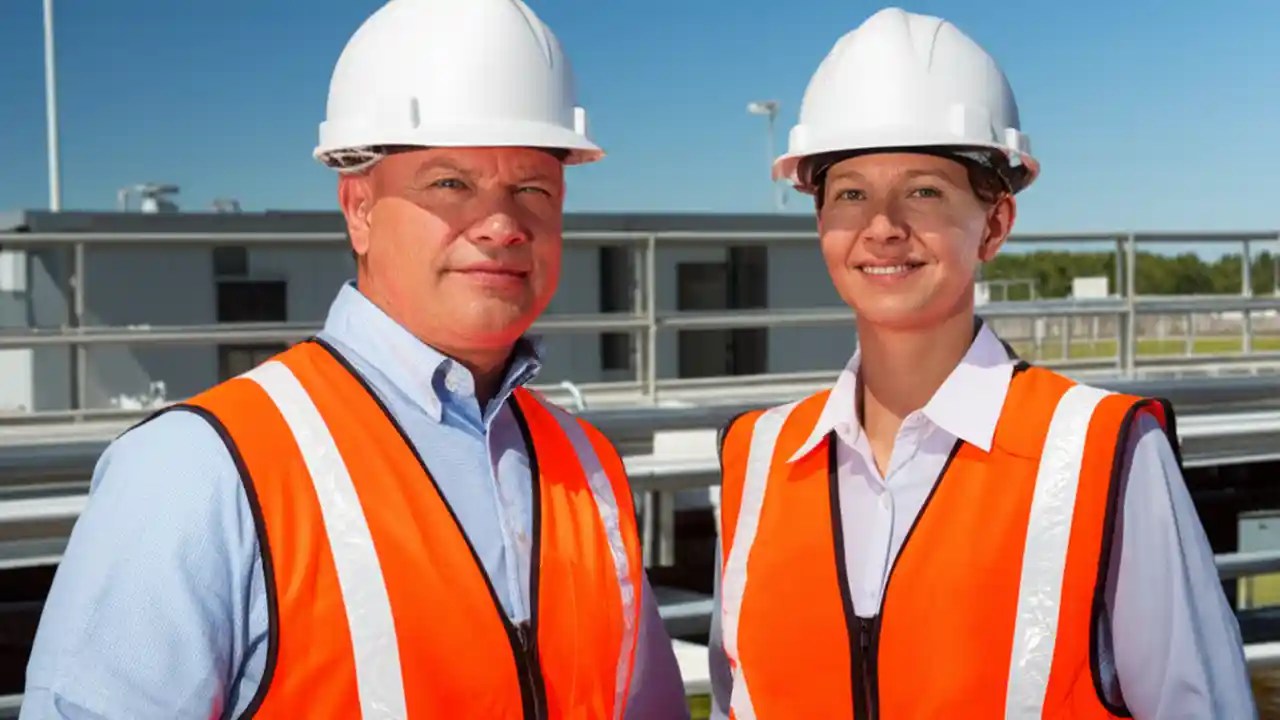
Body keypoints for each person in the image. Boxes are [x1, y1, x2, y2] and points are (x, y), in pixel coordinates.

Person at [21, 1, 689, 718]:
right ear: (359, 209)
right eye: (450, 184)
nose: (501, 226)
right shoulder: (199, 470)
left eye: (532, 190)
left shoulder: (586, 466)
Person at [708, 7, 1255, 719]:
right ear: (821, 224)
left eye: (924, 190)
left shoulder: (1103, 454)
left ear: (995, 224)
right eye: (850, 193)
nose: (882, 226)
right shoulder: (758, 458)